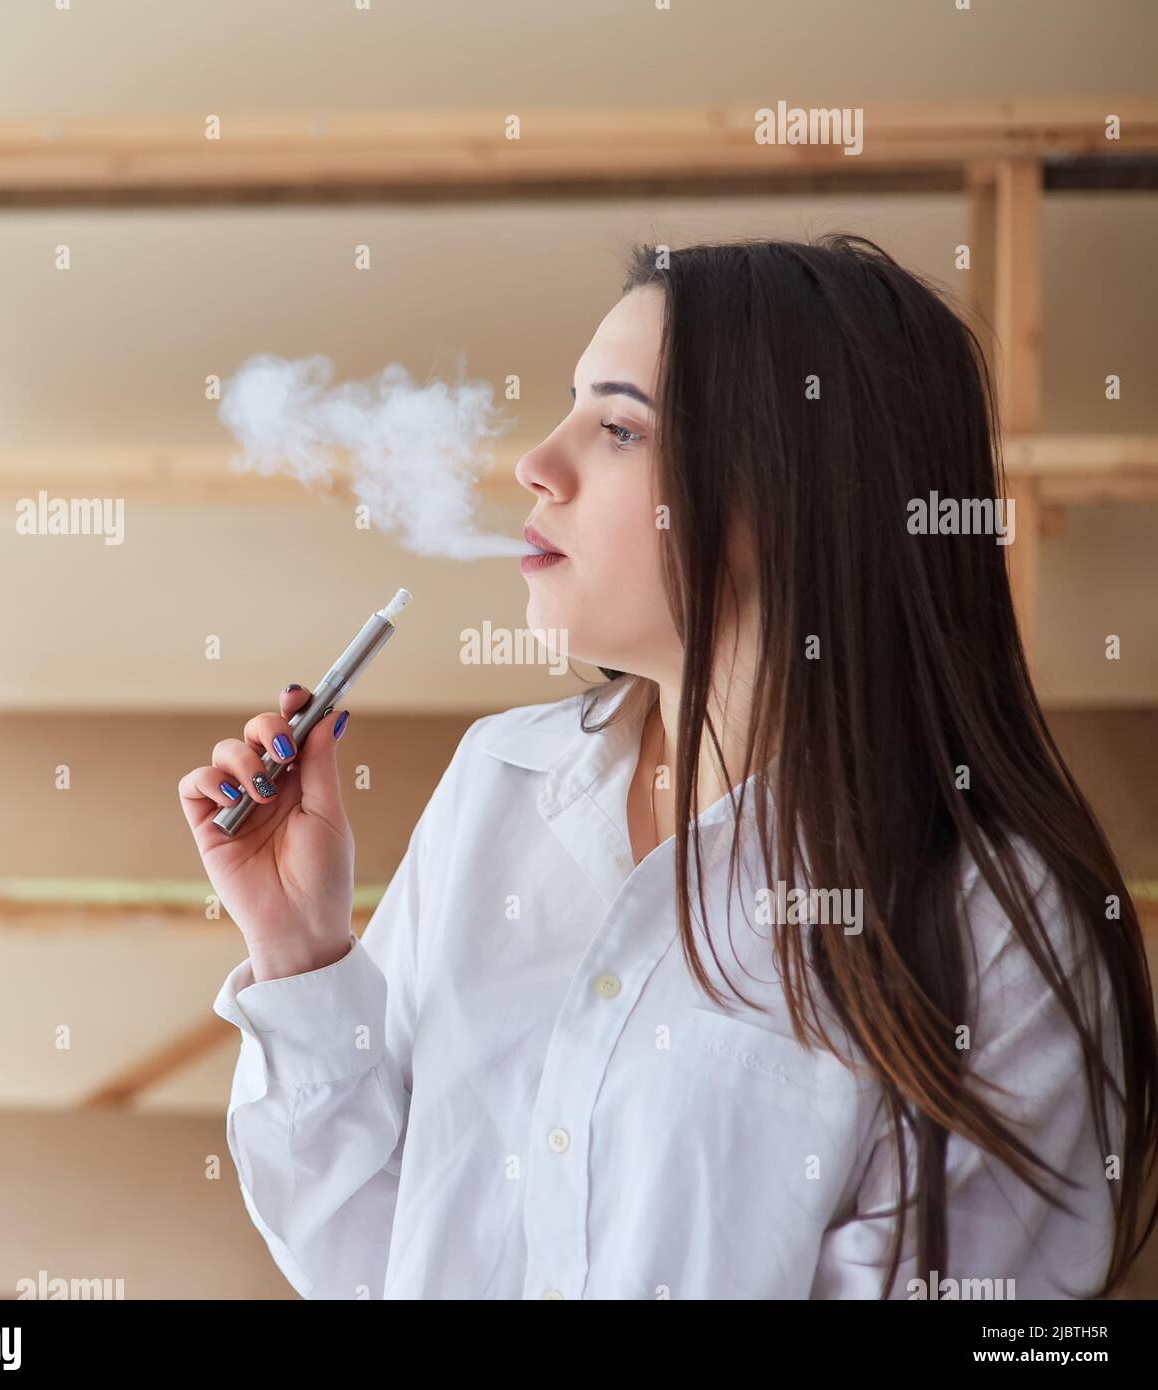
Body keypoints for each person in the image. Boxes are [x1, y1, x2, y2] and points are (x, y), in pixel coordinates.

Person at [178, 235, 1157, 1300]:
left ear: (791, 491)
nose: (535, 466)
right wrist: (301, 951)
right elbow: (369, 1255)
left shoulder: (994, 933)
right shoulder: (497, 784)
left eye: (617, 427)